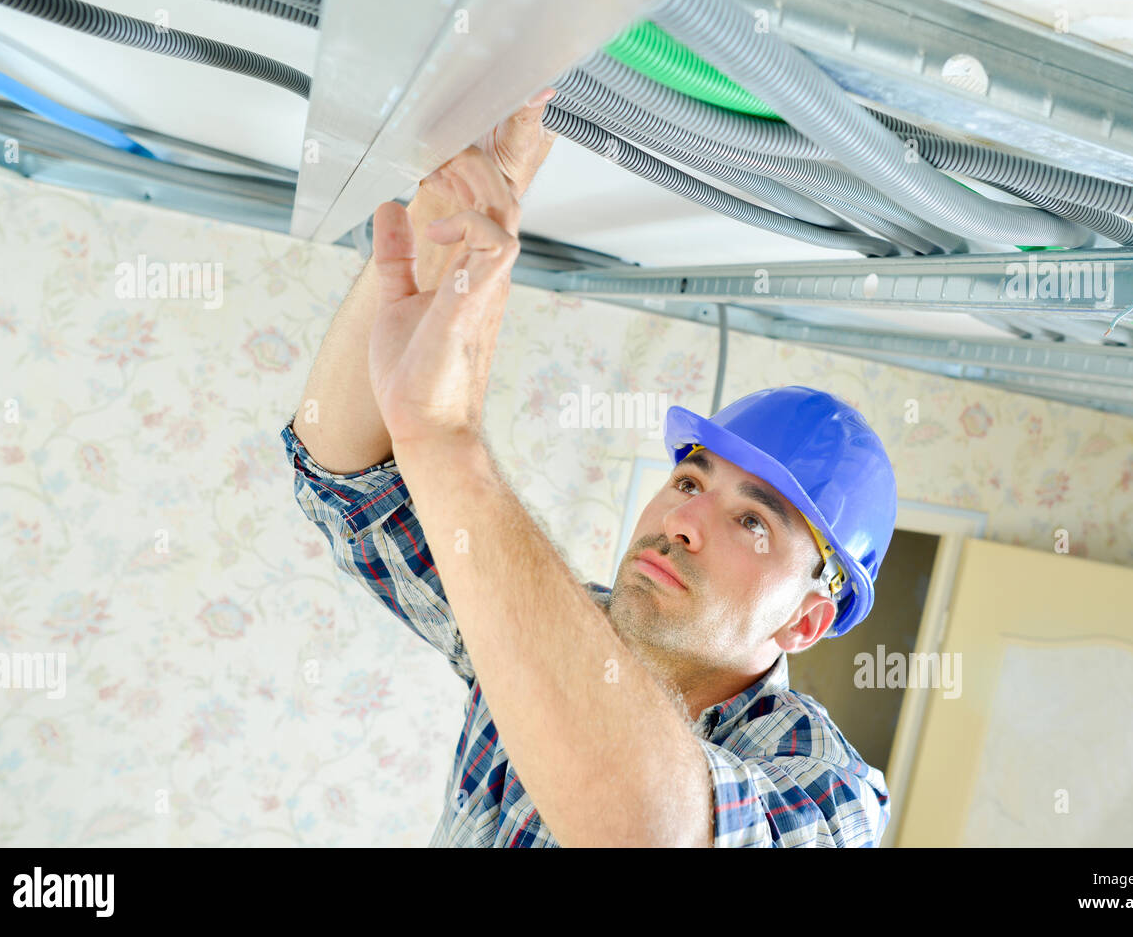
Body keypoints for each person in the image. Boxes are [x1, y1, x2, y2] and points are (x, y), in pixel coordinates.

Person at [281, 88, 896, 847]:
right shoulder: (557, 623)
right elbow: (343, 483)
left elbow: (651, 832)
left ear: (807, 619)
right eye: (691, 481)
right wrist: (441, 216)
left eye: (751, 520)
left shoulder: (829, 793)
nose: (682, 520)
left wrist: (443, 438)